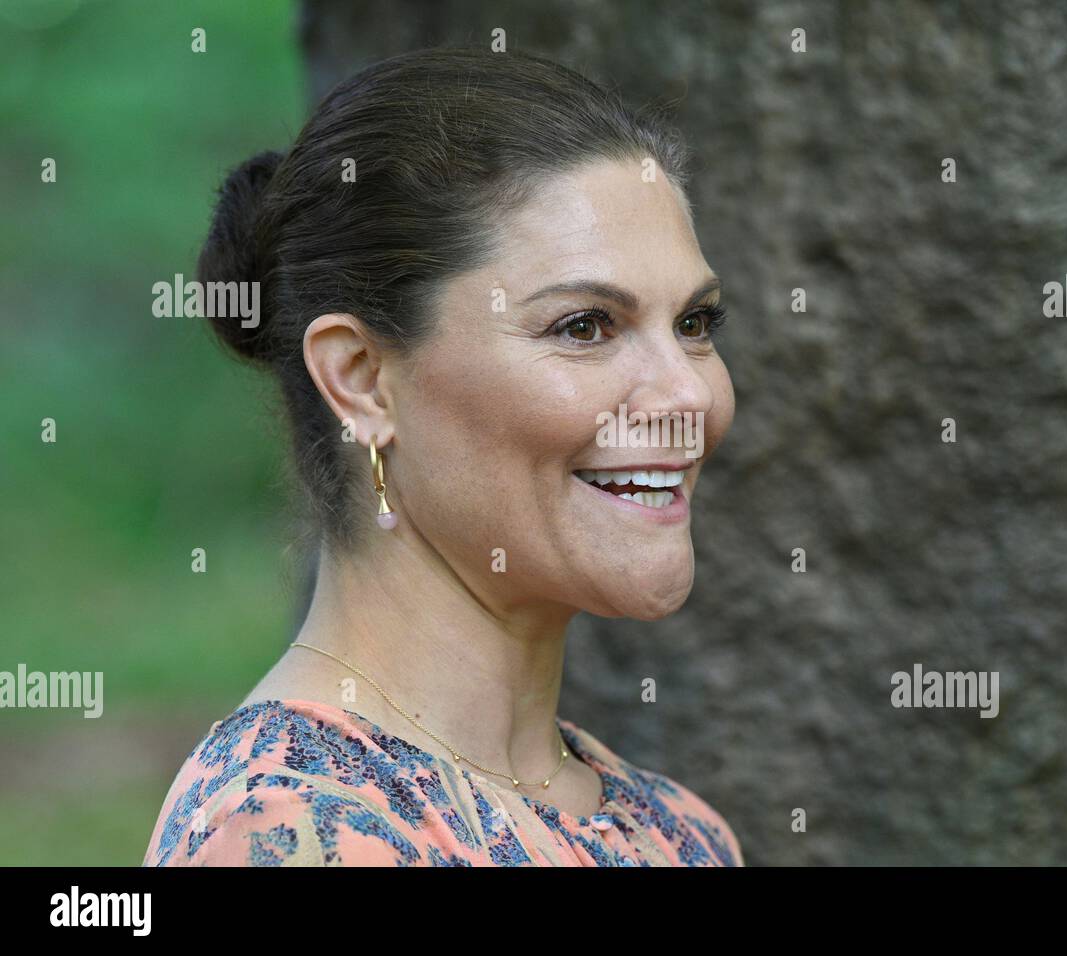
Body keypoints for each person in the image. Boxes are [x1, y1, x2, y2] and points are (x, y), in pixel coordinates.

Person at [141, 45, 741, 867]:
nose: (691, 399)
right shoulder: (295, 833)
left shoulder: (683, 835)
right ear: (360, 380)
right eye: (584, 326)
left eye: (696, 325)